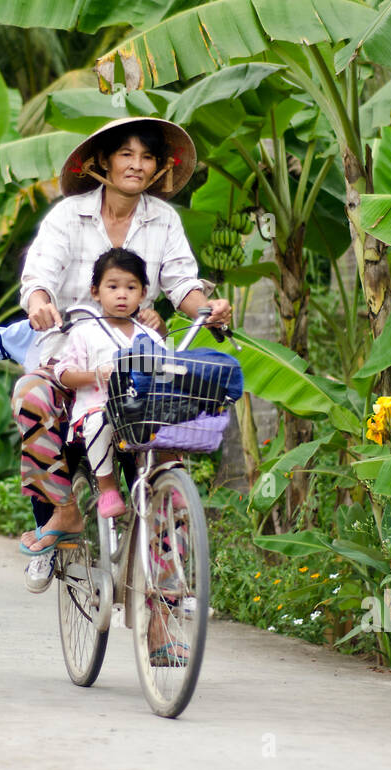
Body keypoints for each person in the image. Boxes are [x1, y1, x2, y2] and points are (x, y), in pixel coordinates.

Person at [15, 117, 230, 593]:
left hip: (138, 357)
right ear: (104, 163)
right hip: (69, 350)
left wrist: (207, 308)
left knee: (167, 465)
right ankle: (61, 514)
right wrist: (40, 303)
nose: (136, 164)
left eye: (147, 156)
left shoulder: (164, 220)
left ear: (157, 168)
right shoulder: (69, 216)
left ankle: (164, 610)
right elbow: (39, 276)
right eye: (126, 154)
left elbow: (182, 285)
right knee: (30, 397)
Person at [53, 249, 164, 520]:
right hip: (98, 407)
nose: (122, 294)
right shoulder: (85, 332)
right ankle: (107, 487)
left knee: (172, 416)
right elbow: (64, 373)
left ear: (143, 292)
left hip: (140, 410)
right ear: (95, 292)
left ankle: (167, 480)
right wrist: (96, 375)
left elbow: (165, 369)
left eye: (131, 287)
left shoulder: (149, 335)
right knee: (99, 421)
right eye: (112, 287)